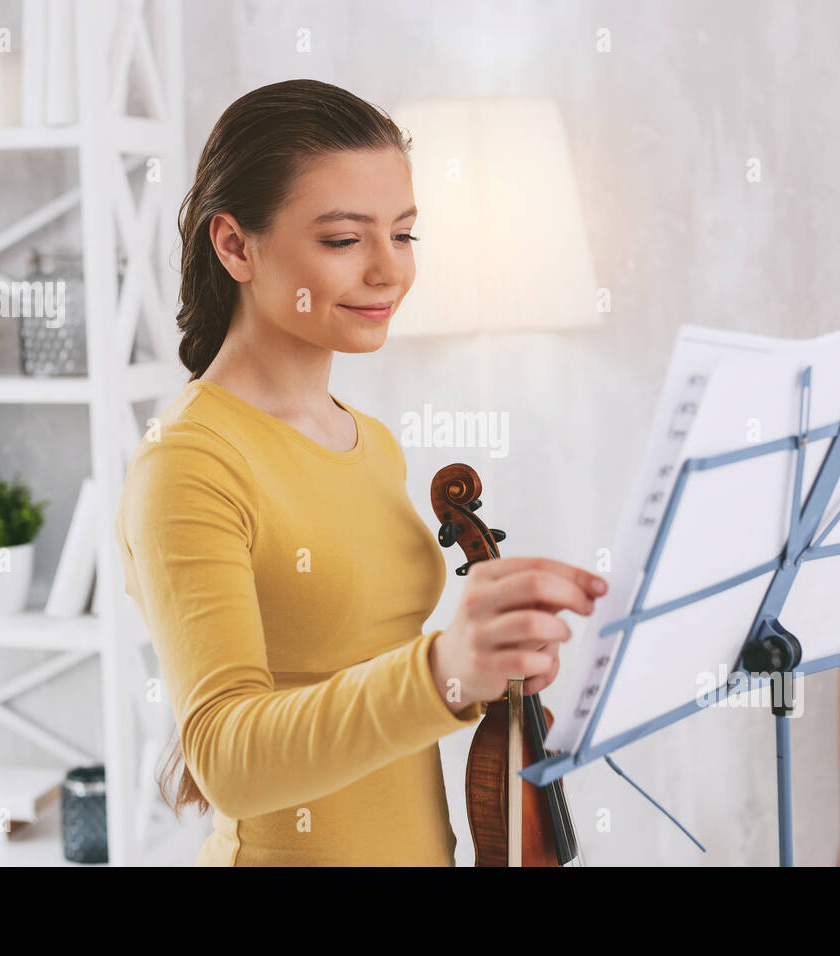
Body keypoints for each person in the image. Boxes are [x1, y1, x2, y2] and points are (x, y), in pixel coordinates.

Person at [115, 78, 606, 866]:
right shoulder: (189, 463)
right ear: (236, 245)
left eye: (404, 235)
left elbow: (374, 678)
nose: (389, 272)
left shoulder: (369, 439)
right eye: (344, 241)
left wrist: (493, 662)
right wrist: (443, 670)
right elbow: (227, 759)